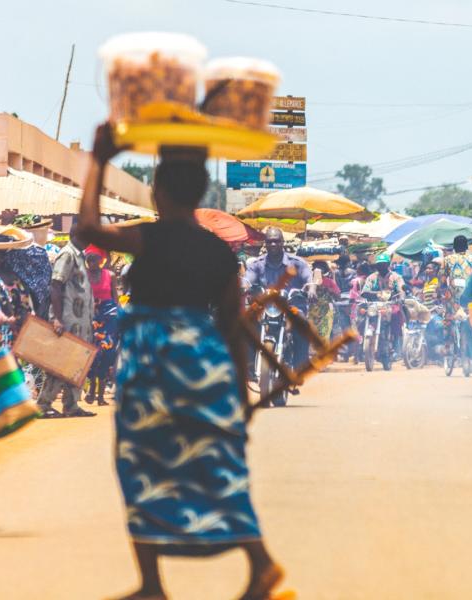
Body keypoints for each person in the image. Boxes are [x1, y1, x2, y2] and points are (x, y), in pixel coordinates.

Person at [77, 125, 286, 600]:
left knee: (140, 463)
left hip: (154, 368)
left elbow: (86, 229)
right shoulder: (219, 253)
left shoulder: (149, 238)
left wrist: (99, 158)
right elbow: (234, 329)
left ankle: (153, 582)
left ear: (159, 190)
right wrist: (239, 394)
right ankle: (260, 564)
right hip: (205, 365)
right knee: (216, 465)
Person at [36, 226, 96, 419]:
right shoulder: (67, 254)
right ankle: (43, 405)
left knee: (75, 364)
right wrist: (57, 319)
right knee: (59, 363)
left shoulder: (79, 256)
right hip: (68, 321)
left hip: (80, 323)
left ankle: (71, 405)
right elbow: (55, 285)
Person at [245, 227, 313, 369]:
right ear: (265, 244)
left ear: (282, 242)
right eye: (270, 242)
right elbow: (247, 280)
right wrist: (243, 286)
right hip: (266, 307)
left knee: (302, 324)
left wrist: (311, 288)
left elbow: (308, 279)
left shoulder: (297, 263)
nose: (273, 245)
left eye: (276, 241)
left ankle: (300, 366)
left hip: (292, 306)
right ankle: (249, 365)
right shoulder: (257, 264)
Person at [84, 249, 119, 406]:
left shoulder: (110, 276)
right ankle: (91, 391)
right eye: (89, 259)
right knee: (93, 355)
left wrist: (121, 317)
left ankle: (100, 397)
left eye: (95, 259)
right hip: (91, 318)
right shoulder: (83, 275)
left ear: (101, 259)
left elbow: (115, 299)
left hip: (109, 318)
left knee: (107, 354)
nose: (92, 262)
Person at [308, 260, 341, 340]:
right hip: (311, 312)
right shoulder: (308, 282)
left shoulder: (329, 282)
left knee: (323, 334)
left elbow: (338, 295)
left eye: (321, 268)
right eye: (317, 268)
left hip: (325, 312)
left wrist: (329, 290)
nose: (319, 271)